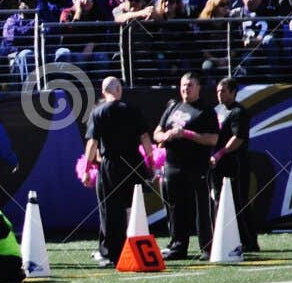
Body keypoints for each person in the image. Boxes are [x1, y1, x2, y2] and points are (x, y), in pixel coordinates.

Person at [84, 76, 154, 267]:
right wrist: (151, 162)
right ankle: (137, 249)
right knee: (133, 208)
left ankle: (112, 254)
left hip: (111, 165)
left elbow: (92, 143)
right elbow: (145, 138)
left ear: (103, 91)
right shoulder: (132, 110)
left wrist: (87, 168)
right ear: (118, 90)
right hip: (133, 164)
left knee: (111, 209)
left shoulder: (98, 112)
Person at [154, 71, 218, 261]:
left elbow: (213, 138)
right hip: (172, 166)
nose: (185, 89)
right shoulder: (174, 107)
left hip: (196, 167)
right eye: (183, 85)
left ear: (198, 87)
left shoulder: (205, 111)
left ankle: (207, 248)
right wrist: (163, 136)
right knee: (175, 208)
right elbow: (157, 130)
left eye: (190, 85)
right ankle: (178, 246)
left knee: (201, 209)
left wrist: (186, 134)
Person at [209, 76, 257, 253]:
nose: (219, 95)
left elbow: (238, 138)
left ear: (233, 92)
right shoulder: (221, 111)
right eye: (218, 92)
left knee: (239, 202)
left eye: (223, 91)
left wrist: (220, 153)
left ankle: (249, 241)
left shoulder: (238, 111)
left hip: (235, 162)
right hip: (222, 164)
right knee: (223, 201)